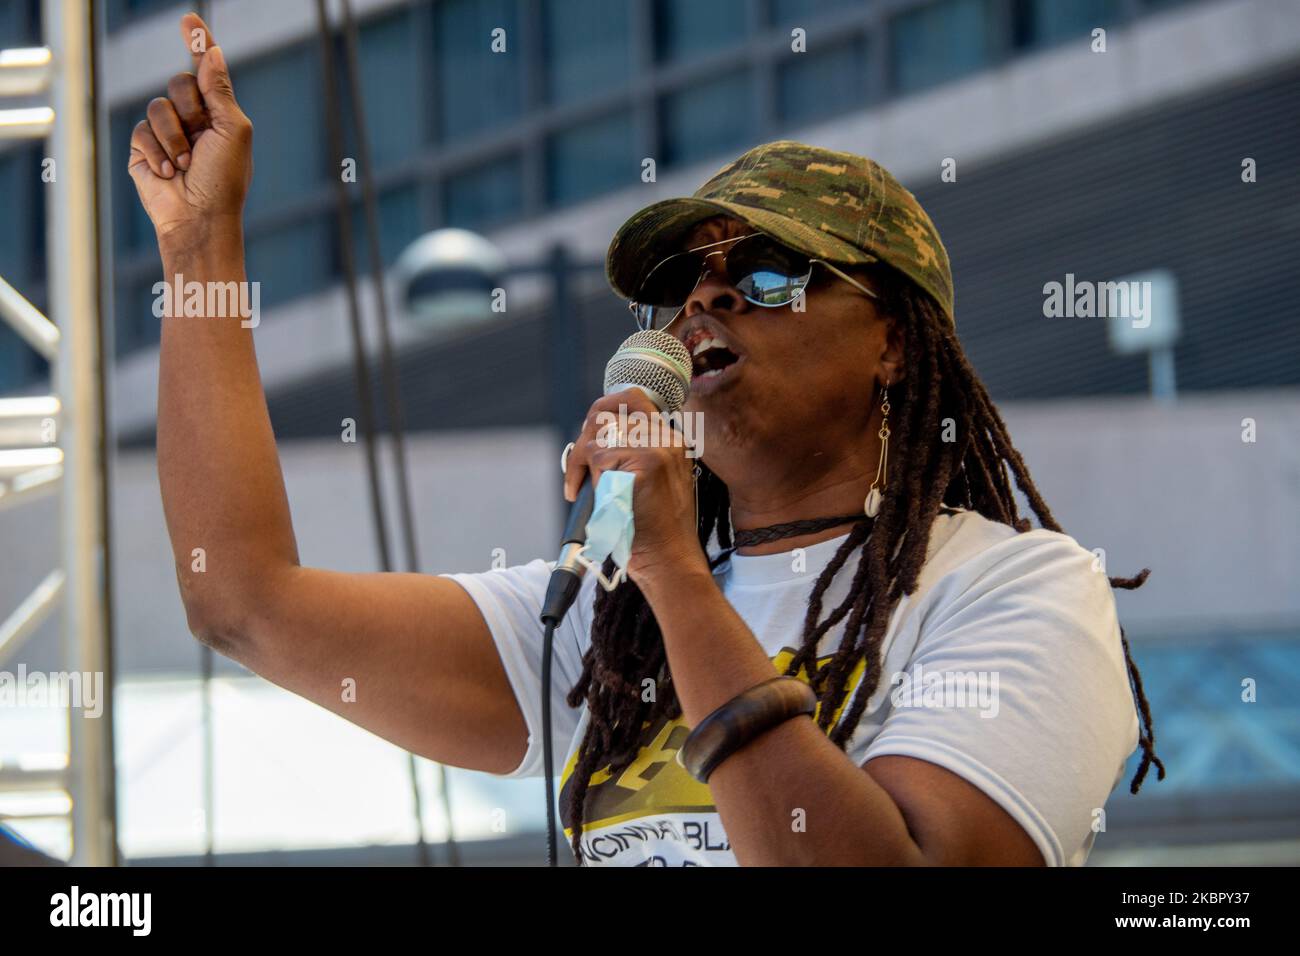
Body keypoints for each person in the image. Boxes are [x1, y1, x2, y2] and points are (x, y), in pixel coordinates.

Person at [129, 13, 1162, 867]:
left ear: (891, 341)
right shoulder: (604, 632)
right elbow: (243, 602)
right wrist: (199, 246)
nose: (707, 297)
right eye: (682, 286)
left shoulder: (1013, 588)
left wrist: (671, 569)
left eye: (765, 273)